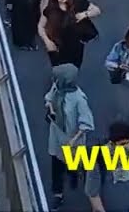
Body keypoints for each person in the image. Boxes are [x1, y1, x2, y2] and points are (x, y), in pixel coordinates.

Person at [45, 63, 95, 208]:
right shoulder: (57, 87)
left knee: (72, 163)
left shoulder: (79, 99)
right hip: (56, 134)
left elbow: (86, 123)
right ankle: (58, 194)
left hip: (71, 139)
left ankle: (76, 175)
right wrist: (50, 107)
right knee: (57, 164)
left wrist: (73, 140)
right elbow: (49, 97)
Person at [85, 121, 129, 212]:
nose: (124, 147)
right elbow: (93, 194)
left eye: (127, 143)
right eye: (121, 145)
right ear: (112, 144)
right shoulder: (98, 157)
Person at [38, 0, 101, 68]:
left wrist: (84, 14)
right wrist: (47, 41)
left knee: (75, 65)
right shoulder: (50, 11)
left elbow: (97, 10)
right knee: (59, 66)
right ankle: (58, 79)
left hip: (77, 44)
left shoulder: (78, 2)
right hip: (59, 45)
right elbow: (40, 26)